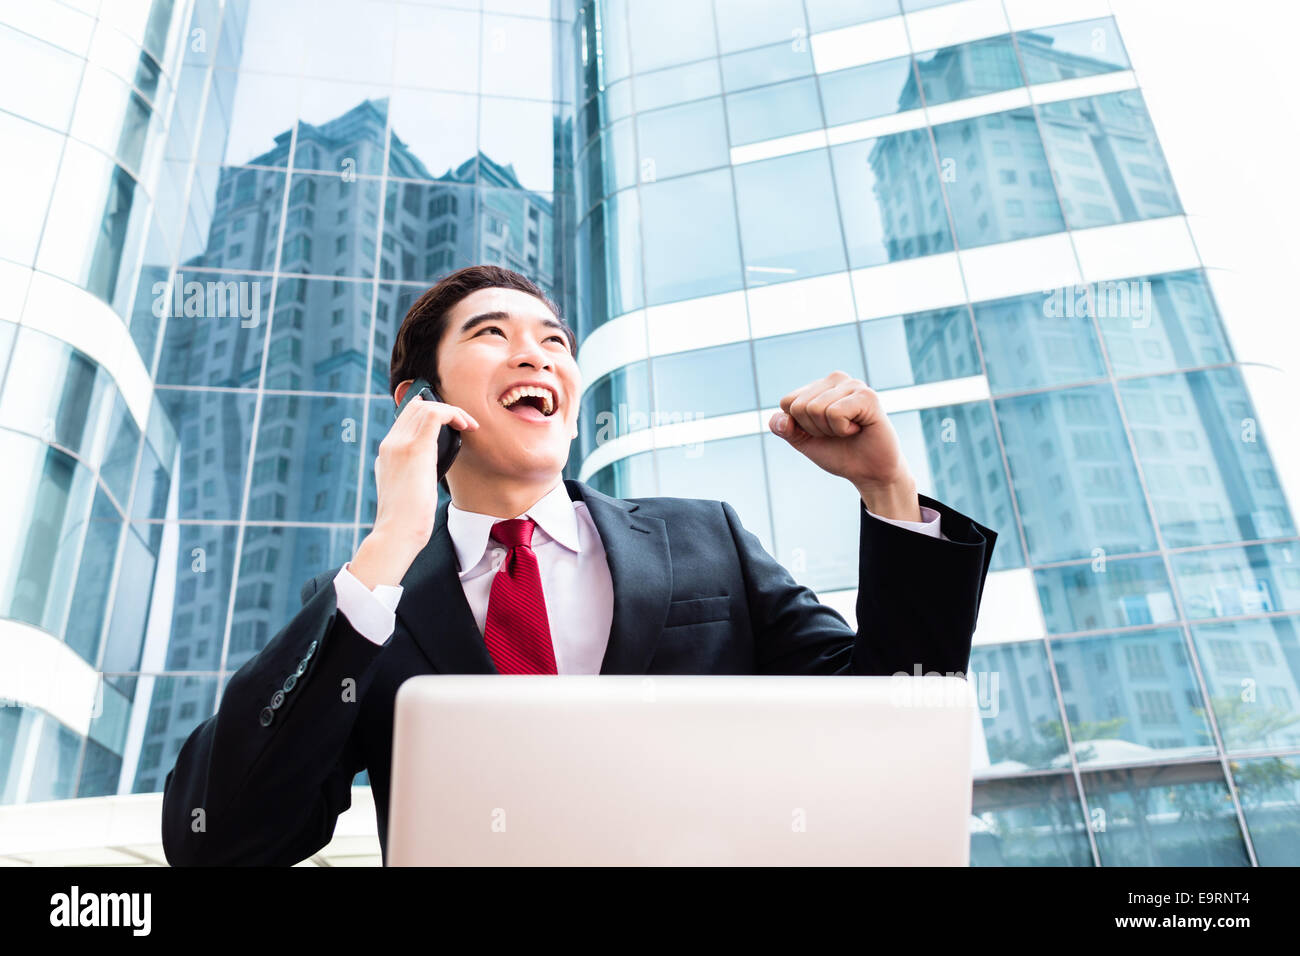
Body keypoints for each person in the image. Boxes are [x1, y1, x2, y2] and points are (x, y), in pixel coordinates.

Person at [161, 264, 997, 866]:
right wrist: (388, 547)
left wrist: (888, 491)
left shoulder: (705, 539)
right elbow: (217, 840)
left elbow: (892, 712)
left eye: (553, 341)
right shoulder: (368, 610)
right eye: (493, 336)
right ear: (419, 401)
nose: (537, 356)